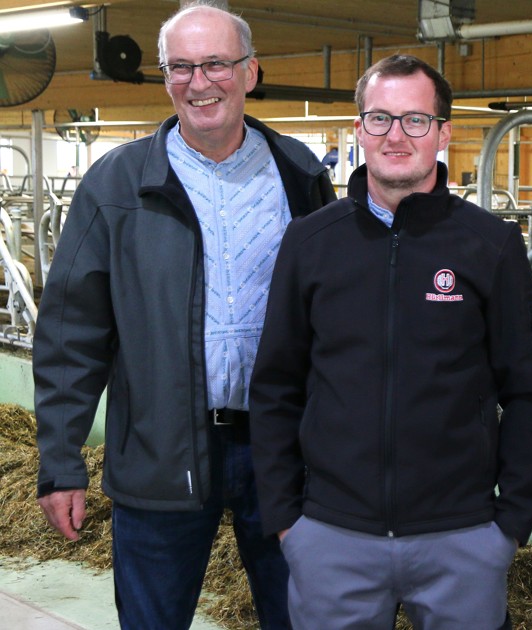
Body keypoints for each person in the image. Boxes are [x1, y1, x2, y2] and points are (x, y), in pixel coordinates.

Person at [32, 4, 335, 629]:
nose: (200, 83)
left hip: (283, 452)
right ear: (166, 76)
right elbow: (71, 332)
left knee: (302, 617)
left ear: (250, 72)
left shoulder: (299, 175)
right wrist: (61, 463)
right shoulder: (115, 185)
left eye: (217, 63)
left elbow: (335, 318)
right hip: (161, 451)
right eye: (181, 67)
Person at [249, 53, 532, 630]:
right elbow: (275, 386)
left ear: (443, 133)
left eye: (415, 120)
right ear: (359, 129)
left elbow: (529, 389)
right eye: (380, 118)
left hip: (461, 537)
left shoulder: (489, 245)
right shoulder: (311, 242)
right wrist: (288, 520)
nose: (396, 135)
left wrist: (510, 522)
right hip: (332, 535)